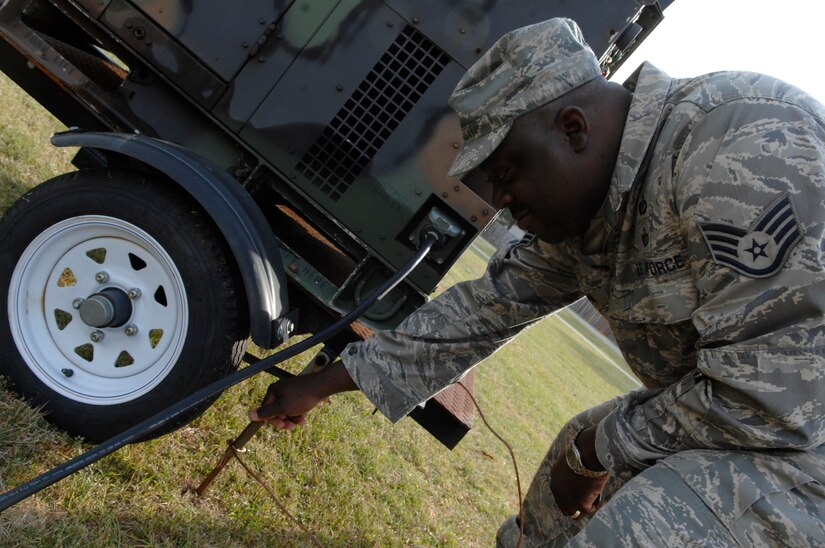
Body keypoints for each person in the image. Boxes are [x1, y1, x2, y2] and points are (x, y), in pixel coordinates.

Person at [249, 17, 825, 545]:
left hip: (804, 444)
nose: (499, 204)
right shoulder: (592, 213)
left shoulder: (741, 149)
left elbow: (774, 400)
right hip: (747, 422)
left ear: (573, 128)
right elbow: (476, 313)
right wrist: (318, 387)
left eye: (504, 173)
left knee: (636, 526)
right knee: (575, 452)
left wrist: (597, 450)